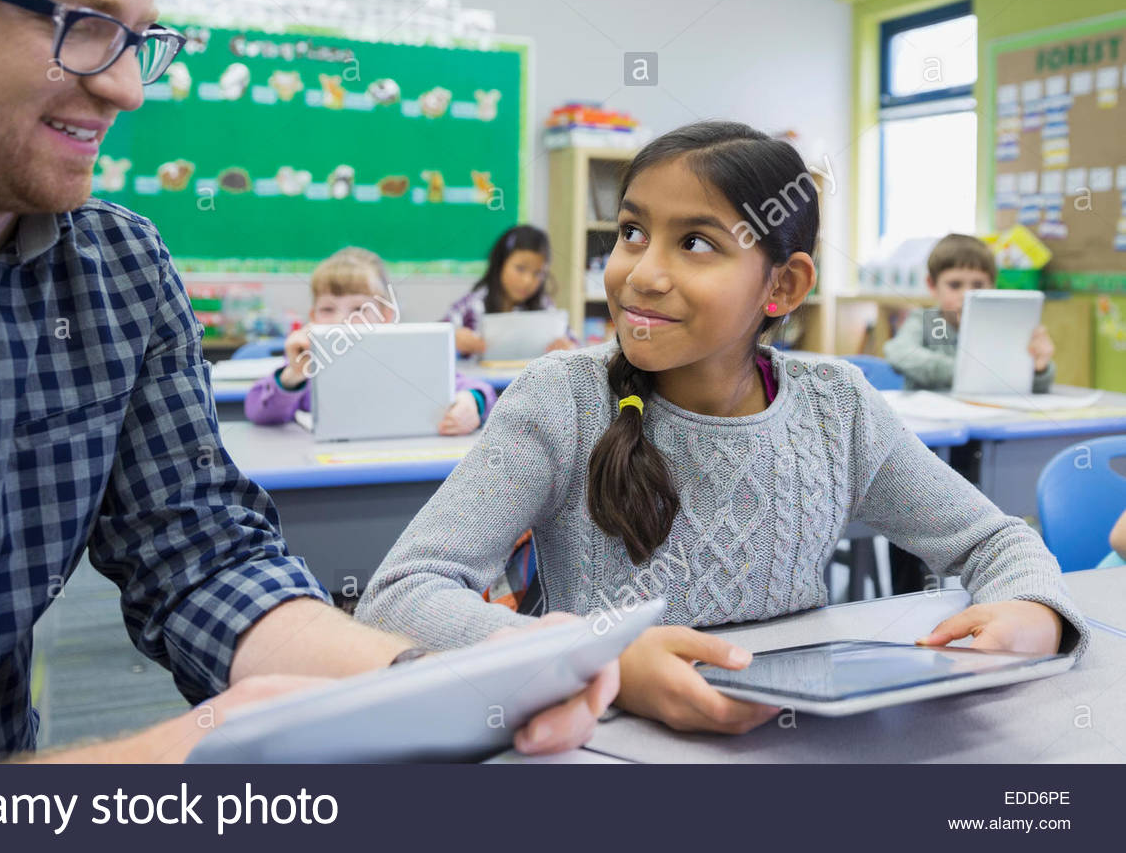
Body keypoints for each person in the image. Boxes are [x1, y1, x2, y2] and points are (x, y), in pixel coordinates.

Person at [0, 0, 615, 763]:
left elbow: (200, 554)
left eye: (140, 40)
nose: (126, 87)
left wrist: (427, 680)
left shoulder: (119, 271)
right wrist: (152, 761)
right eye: (80, 25)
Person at [356, 122, 1088, 735]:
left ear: (783, 286)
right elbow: (400, 594)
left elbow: (993, 539)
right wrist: (600, 657)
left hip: (798, 748)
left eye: (697, 243)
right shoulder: (562, 399)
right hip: (608, 744)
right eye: (633, 231)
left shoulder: (836, 405)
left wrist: (1034, 612)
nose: (642, 272)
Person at [246, 246, 495, 435]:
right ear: (313, 317)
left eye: (358, 309)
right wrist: (293, 376)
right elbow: (259, 411)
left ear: (386, 316)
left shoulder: (408, 356)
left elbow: (479, 389)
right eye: (328, 309)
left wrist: (471, 402)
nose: (342, 321)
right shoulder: (307, 361)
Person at [883, 233, 1055, 392]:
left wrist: (1038, 369)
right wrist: (970, 371)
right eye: (955, 285)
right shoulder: (927, 321)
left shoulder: (999, 327)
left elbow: (1032, 386)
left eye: (978, 285)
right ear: (932, 285)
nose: (967, 295)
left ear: (992, 285)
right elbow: (899, 352)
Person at [445, 225, 576, 357]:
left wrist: (568, 347)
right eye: (520, 268)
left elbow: (574, 344)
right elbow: (436, 337)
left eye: (538, 273)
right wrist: (453, 338)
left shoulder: (545, 307)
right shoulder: (472, 305)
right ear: (500, 263)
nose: (527, 281)